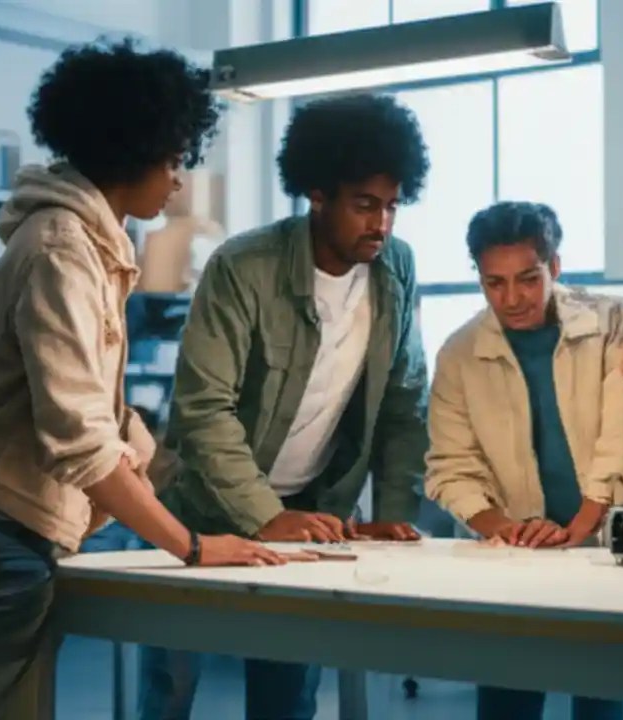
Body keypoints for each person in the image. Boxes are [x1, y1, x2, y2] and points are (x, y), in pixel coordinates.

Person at [0, 38, 284, 720]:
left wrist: (172, 470)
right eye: (171, 161)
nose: (179, 180)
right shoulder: (62, 250)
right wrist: (192, 545)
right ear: (130, 155)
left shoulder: (86, 244)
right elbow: (77, 440)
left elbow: (93, 414)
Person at [139, 92, 432, 720]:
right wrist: (265, 513)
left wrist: (393, 514)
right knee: (171, 689)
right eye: (364, 205)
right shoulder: (244, 267)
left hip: (313, 518)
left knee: (288, 690)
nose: (381, 224)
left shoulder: (397, 270)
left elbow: (405, 404)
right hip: (204, 509)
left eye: (391, 206)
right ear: (317, 194)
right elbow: (202, 409)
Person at [425, 201, 623, 720]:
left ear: (555, 267)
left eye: (527, 279)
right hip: (510, 557)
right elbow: (451, 468)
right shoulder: (458, 354)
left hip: (604, 545)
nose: (512, 298)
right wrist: (510, 530)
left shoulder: (610, 321)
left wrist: (581, 525)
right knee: (507, 697)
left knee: (604, 698)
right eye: (493, 283)